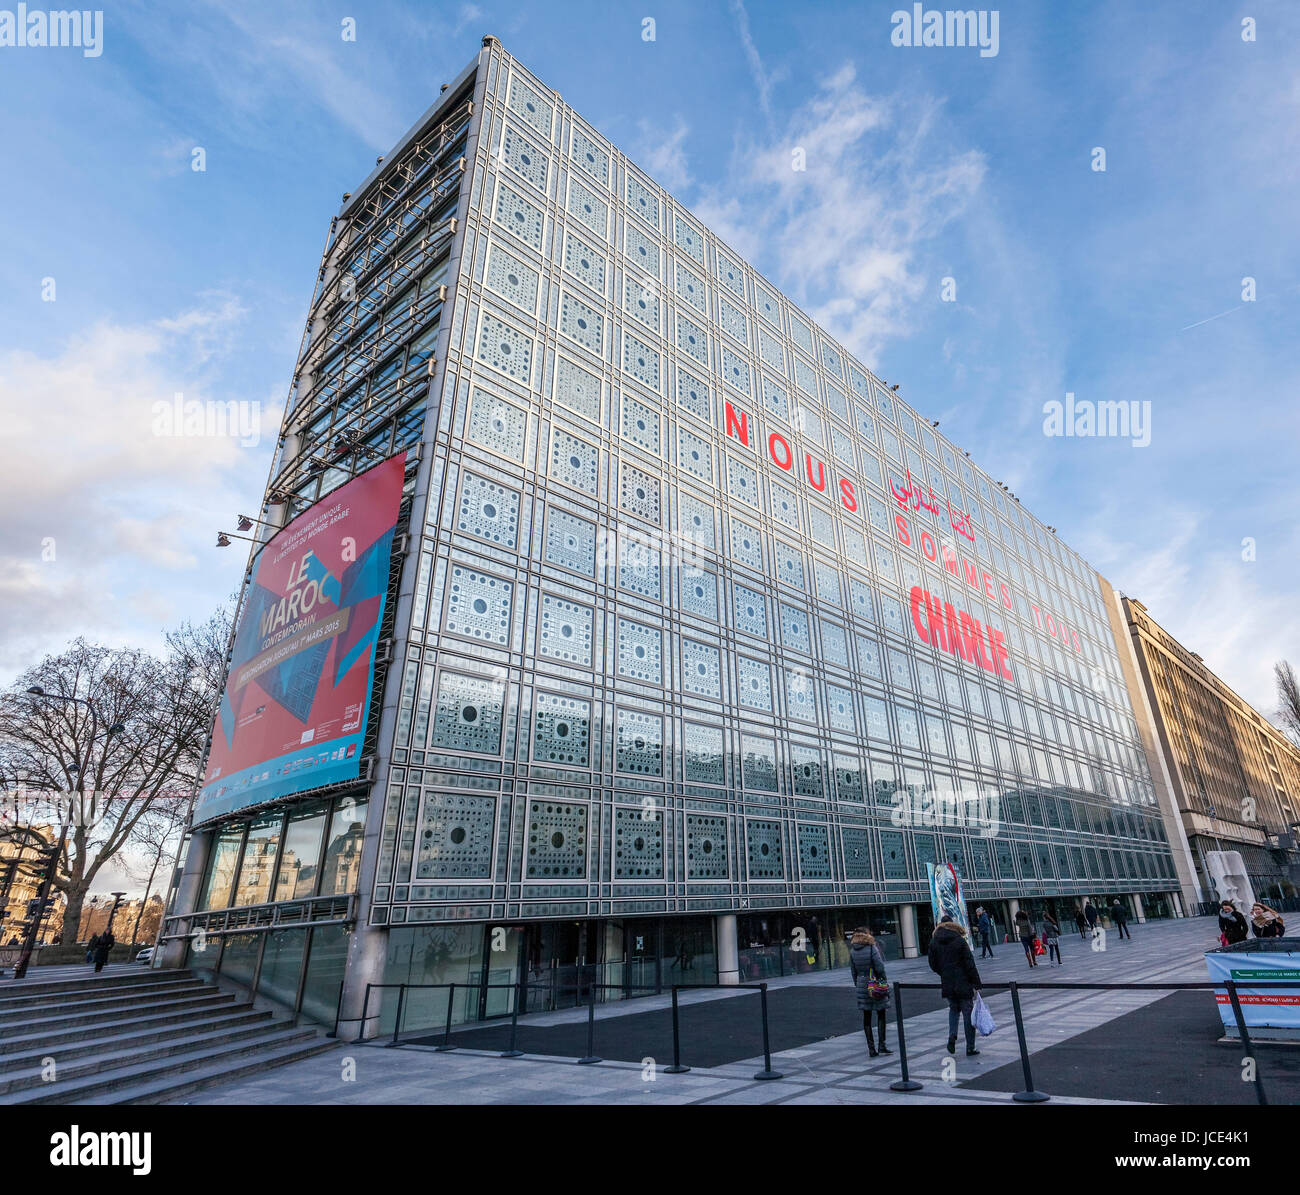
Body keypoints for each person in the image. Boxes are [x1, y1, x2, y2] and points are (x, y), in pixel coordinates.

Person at [928, 914, 983, 1057]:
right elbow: (969, 963)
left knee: (953, 1009)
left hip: (948, 981)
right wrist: (976, 982)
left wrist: (943, 972)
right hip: (963, 980)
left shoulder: (934, 941)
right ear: (953, 925)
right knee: (967, 1013)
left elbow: (932, 964)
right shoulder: (959, 940)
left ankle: (952, 1035)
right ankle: (970, 1047)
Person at [849, 927, 891, 1057]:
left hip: (862, 984)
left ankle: (871, 1049)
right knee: (881, 1013)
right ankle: (882, 1045)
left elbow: (853, 971)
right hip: (875, 983)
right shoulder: (872, 948)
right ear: (867, 934)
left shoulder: (853, 950)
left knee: (867, 1017)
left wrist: (858, 984)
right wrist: (883, 980)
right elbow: (879, 967)